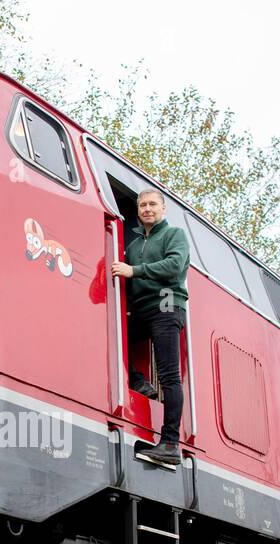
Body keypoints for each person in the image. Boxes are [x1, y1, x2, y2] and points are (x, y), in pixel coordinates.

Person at [110, 189, 190, 467]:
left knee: (169, 376)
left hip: (167, 306)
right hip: (142, 310)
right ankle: (140, 381)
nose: (147, 209)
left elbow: (175, 265)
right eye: (142, 205)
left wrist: (134, 271)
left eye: (153, 204)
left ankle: (170, 443)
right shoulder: (132, 247)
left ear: (163, 209)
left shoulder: (174, 235)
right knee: (110, 336)